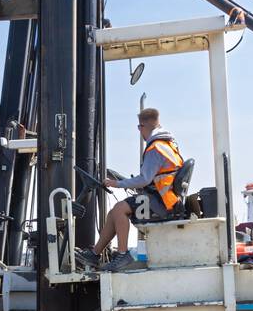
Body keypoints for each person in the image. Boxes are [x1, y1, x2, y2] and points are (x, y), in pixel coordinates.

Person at [77, 107, 184, 273]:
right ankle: (95, 254)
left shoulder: (155, 148)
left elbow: (144, 179)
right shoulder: (166, 143)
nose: (139, 131)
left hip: (161, 203)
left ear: (143, 126)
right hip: (164, 198)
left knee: (120, 209)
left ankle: (122, 254)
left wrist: (116, 184)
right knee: (113, 213)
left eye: (139, 127)